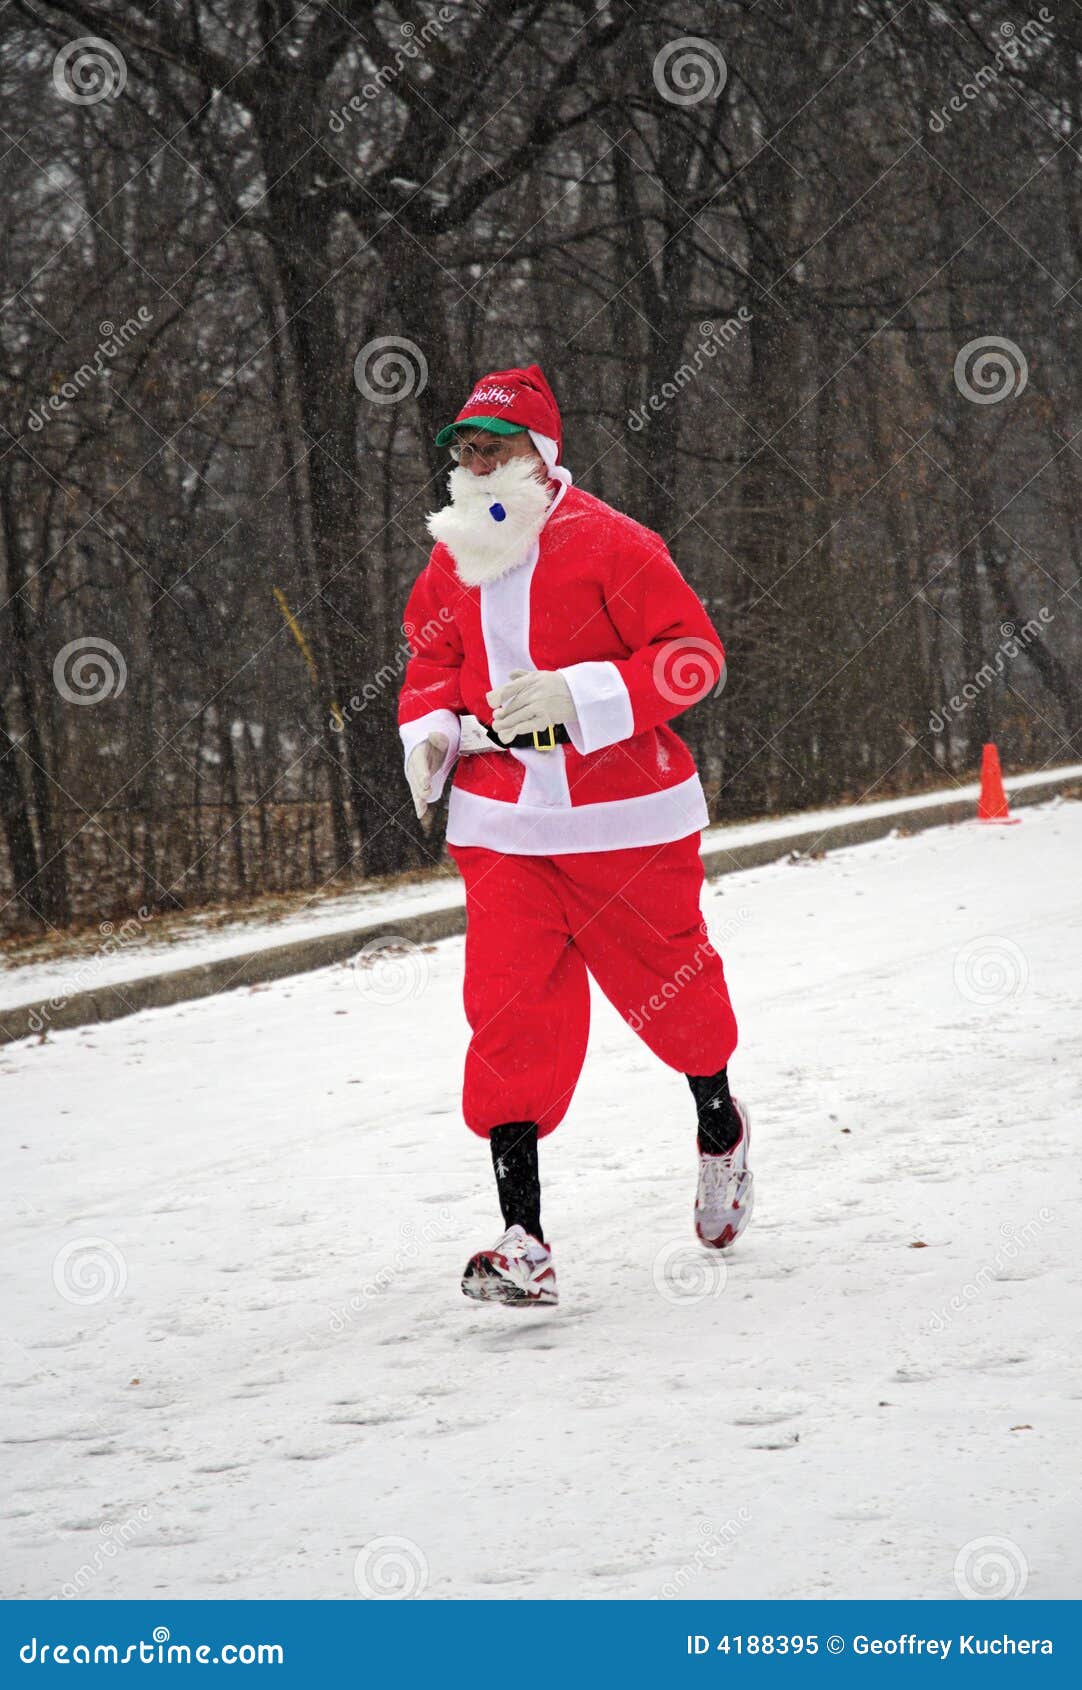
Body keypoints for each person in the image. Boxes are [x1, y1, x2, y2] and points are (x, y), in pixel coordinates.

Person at [398, 363, 751, 1306]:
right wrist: (429, 731)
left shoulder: (615, 544)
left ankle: (718, 1123)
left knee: (675, 999)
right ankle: (524, 1242)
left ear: (540, 454)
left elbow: (693, 659)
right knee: (509, 1019)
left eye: (494, 446)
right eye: (464, 449)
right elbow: (432, 654)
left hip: (626, 821)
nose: (475, 462)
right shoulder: (451, 555)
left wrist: (585, 696)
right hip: (503, 826)